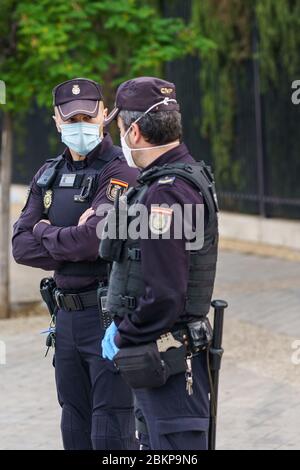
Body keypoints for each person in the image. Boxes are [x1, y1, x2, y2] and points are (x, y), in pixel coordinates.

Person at [12, 78, 139, 450]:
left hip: (106, 318)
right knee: (74, 426)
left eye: (88, 114)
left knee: (111, 431)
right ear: (56, 121)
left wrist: (45, 230)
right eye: (71, 118)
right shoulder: (47, 174)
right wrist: (67, 236)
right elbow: (21, 247)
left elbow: (95, 241)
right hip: (65, 319)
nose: (80, 123)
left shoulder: (119, 173)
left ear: (104, 114)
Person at [100, 76, 219, 450]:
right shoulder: (173, 178)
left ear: (134, 132)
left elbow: (166, 293)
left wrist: (123, 335)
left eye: (119, 127)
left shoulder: (167, 191)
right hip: (164, 361)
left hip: (170, 363)